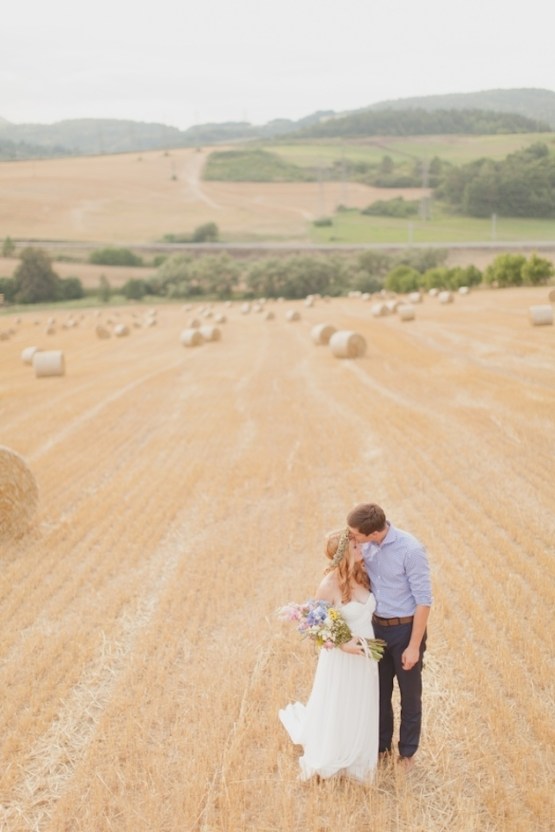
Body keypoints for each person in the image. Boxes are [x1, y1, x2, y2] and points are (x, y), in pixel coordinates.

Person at [279, 529, 379, 782]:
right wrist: (344, 645)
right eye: (356, 546)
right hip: (342, 659)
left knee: (362, 703)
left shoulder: (364, 574)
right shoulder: (328, 585)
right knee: (341, 703)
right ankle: (335, 753)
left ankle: (360, 756)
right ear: (344, 553)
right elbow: (317, 627)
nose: (361, 549)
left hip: (366, 656)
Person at [347, 503, 432, 768]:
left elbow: (424, 601)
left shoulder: (411, 550)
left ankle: (407, 753)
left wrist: (414, 646)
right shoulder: (363, 548)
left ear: (372, 533)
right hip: (376, 629)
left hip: (406, 631)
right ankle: (381, 747)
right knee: (379, 693)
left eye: (354, 534)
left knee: (409, 695)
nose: (351, 537)